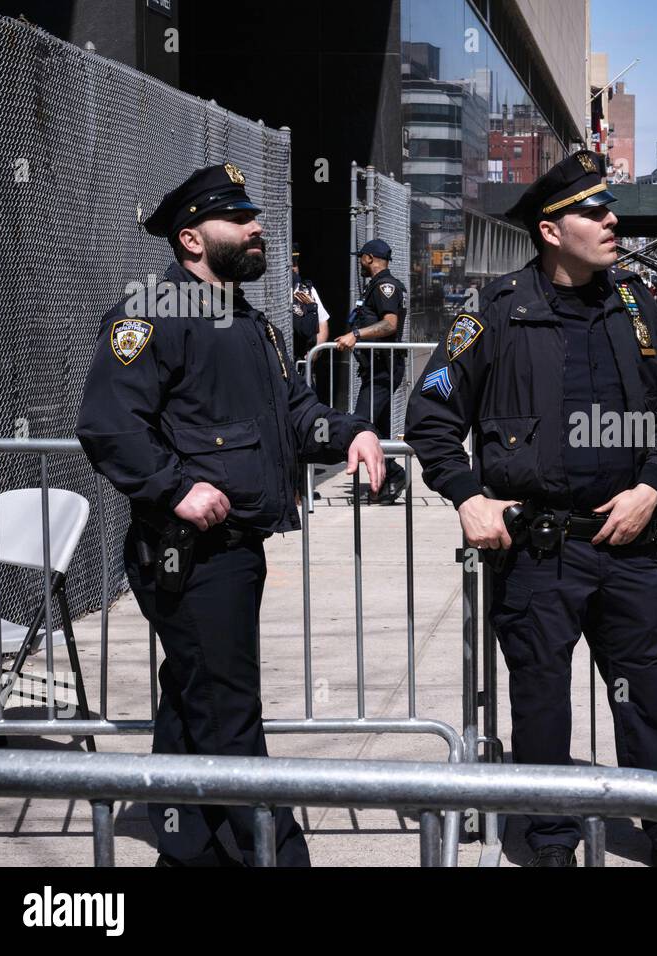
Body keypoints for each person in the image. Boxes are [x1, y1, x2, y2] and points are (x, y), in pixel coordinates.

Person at [404, 150, 657, 868]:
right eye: (594, 211)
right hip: (539, 555)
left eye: (610, 209)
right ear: (551, 231)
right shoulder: (494, 311)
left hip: (628, 545)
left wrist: (654, 485)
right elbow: (428, 414)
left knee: (645, 694)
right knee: (541, 703)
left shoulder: (637, 306)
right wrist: (467, 494)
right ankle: (549, 838)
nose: (613, 221)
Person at [76, 164, 384, 867]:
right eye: (238, 218)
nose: (257, 227)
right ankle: (276, 855)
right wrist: (173, 487)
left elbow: (295, 413)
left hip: (235, 552)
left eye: (255, 216)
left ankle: (187, 851)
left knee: (195, 705)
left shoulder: (252, 323)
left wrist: (351, 432)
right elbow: (107, 423)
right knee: (230, 714)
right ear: (191, 237)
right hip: (188, 553)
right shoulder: (149, 310)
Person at [335, 239, 408, 504]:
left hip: (384, 369)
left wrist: (356, 334)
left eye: (361, 259)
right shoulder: (374, 287)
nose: (359, 263)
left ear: (368, 258)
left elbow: (389, 324)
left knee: (361, 423)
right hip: (376, 368)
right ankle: (386, 482)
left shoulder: (385, 287)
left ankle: (395, 473)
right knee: (378, 426)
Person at [290, 242, 330, 361]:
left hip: (303, 358)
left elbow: (323, 323)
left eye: (295, 263)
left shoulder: (307, 289)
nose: (293, 268)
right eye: (291, 263)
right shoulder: (272, 292)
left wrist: (314, 353)